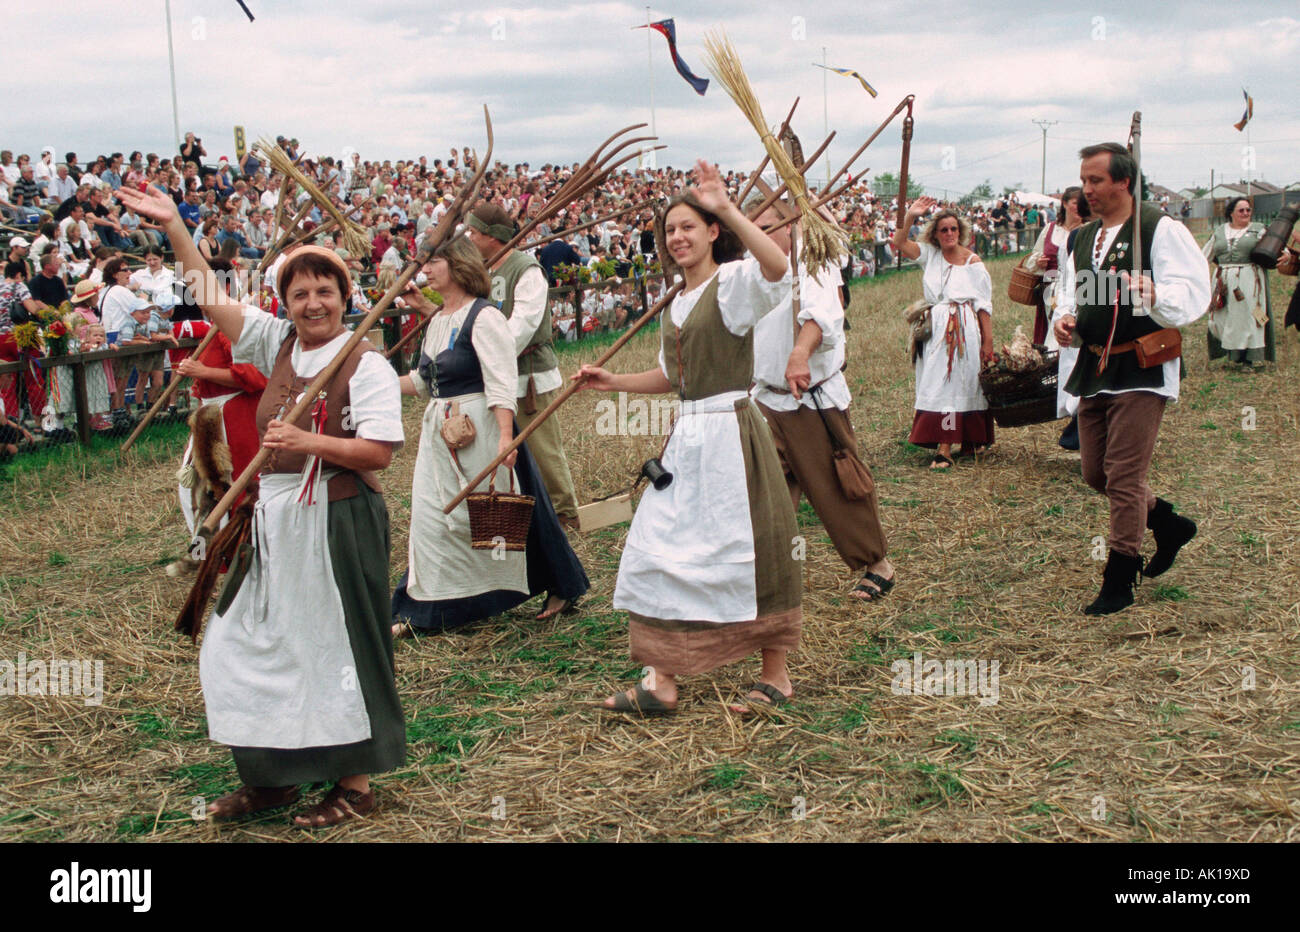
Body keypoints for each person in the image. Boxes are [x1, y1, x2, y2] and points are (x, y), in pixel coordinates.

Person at [118, 182, 406, 829]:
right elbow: (212, 295)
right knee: (239, 641)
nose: (312, 302)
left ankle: (355, 785)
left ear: (344, 297)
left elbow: (381, 452)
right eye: (300, 292)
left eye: (324, 290)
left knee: (339, 646)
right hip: (275, 521)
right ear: (287, 302)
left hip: (338, 517)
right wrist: (174, 229)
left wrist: (309, 441)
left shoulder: (366, 363)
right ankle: (274, 779)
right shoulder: (275, 342)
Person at [574, 160, 799, 715]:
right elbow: (673, 379)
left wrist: (726, 205)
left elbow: (778, 268)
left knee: (752, 546)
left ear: (712, 233)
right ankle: (662, 681)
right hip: (687, 435)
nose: (676, 237)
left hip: (732, 432)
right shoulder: (676, 302)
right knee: (663, 546)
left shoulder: (733, 284)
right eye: (669, 230)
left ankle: (777, 674)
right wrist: (614, 382)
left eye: (688, 227)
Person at [390, 237, 589, 634]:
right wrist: (374, 382)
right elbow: (426, 382)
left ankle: (556, 584)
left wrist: (504, 440)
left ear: (459, 265)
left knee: (495, 514)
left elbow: (501, 381)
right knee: (431, 519)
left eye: (434, 262)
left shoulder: (485, 318)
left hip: (479, 429)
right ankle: (423, 605)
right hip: (439, 434)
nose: (424, 270)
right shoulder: (439, 318)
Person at [1052, 143, 1209, 615]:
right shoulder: (1081, 239)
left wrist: (1159, 293)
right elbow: (1071, 293)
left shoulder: (1157, 228)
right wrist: (1065, 318)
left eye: (1096, 181)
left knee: (1123, 475)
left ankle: (1120, 575)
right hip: (1096, 365)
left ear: (1123, 181)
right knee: (1095, 471)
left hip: (1141, 366)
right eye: (1083, 181)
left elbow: (1194, 288)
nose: (1086, 190)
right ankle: (1167, 520)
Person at [750, 201, 896, 603]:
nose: (758, 235)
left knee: (836, 483)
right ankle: (767, 573)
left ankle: (876, 562)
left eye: (767, 226)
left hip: (809, 398)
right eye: (752, 228)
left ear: (791, 224)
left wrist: (800, 354)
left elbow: (823, 314)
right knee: (769, 489)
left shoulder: (813, 256)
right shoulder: (751, 265)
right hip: (763, 399)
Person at [466, 202, 581, 529]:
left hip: (528, 375)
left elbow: (524, 323)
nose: (470, 238)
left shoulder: (526, 269)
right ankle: (525, 515)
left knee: (543, 450)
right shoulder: (485, 271)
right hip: (496, 375)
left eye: (474, 232)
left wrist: (491, 354)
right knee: (502, 451)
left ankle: (564, 514)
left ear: (492, 236)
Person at [893, 196, 994, 470]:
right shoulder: (930, 255)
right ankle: (953, 440)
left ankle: (948, 446)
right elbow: (900, 243)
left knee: (960, 382)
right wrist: (910, 215)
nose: (949, 234)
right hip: (936, 327)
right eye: (943, 230)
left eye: (953, 229)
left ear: (960, 232)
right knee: (939, 383)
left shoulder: (973, 261)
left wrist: (988, 343)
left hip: (963, 328)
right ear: (935, 235)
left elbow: (984, 306)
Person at [1026, 185, 1091, 449]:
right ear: (1064, 204)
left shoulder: (1087, 233)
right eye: (1072, 203)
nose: (1076, 207)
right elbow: (1032, 260)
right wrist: (1038, 263)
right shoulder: (1053, 231)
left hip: (1082, 296)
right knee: (1057, 342)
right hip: (1056, 289)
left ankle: (1078, 418)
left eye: (1079, 203)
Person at [1203, 197, 1273, 369]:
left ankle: (1250, 358)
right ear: (1231, 213)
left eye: (1248, 210)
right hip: (1223, 279)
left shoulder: (1258, 230)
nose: (1246, 213)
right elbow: (1205, 255)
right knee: (1223, 316)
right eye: (1241, 210)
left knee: (1249, 317)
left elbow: (1277, 248)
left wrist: (1284, 255)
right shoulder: (1220, 231)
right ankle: (1232, 355)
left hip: (1249, 278)